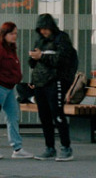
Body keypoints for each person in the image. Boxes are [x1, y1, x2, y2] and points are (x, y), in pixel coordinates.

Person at [28, 13, 78, 162]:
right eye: (41, 29)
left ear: (51, 27)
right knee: (44, 116)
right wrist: (33, 60)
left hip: (55, 81)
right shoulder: (40, 41)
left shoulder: (62, 38)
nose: (43, 32)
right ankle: (49, 147)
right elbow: (33, 63)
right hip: (40, 82)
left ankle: (66, 147)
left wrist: (41, 57)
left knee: (57, 114)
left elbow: (62, 60)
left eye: (46, 28)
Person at [0, 20, 33, 160]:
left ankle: (17, 148)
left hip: (9, 88)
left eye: (16, 33)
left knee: (13, 116)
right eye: (11, 33)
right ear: (4, 34)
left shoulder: (9, 47)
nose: (14, 36)